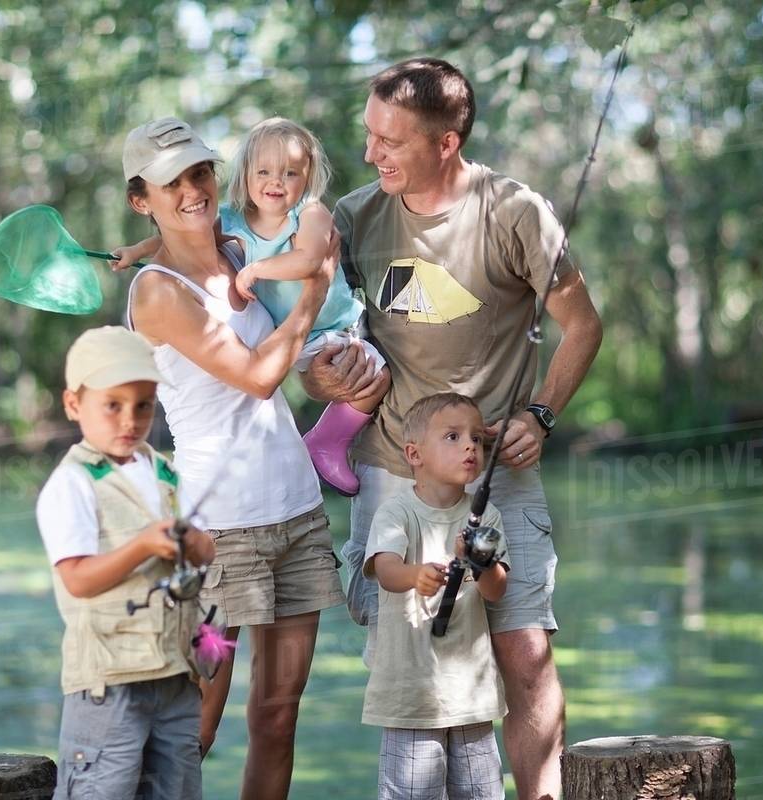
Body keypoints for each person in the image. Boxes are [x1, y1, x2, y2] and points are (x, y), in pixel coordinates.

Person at [302, 58, 604, 800]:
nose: (372, 154)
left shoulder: (515, 214)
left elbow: (583, 326)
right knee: (414, 677)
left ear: (446, 143)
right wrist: (324, 377)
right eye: (369, 136)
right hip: (388, 479)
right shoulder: (350, 218)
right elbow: (308, 350)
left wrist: (541, 412)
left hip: (497, 479)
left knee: (525, 658)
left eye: (390, 141)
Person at [116, 116, 347, 800]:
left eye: (200, 173)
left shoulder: (237, 244)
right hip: (221, 538)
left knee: (277, 718)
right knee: (195, 725)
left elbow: (263, 223)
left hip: (298, 518)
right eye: (171, 183)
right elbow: (255, 375)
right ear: (141, 197)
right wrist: (314, 292)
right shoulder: (157, 293)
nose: (193, 190)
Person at [113, 116, 390, 497]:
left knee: (373, 375)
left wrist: (259, 269)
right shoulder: (169, 281)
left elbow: (311, 262)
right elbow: (261, 377)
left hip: (296, 491)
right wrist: (134, 252)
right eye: (171, 182)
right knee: (376, 375)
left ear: (307, 178)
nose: (276, 182)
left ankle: (327, 439)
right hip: (226, 505)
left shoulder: (292, 220)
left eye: (290, 173)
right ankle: (327, 442)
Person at [35, 325, 217, 800]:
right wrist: (141, 547)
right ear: (74, 405)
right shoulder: (71, 484)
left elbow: (204, 550)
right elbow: (76, 579)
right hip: (108, 686)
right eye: (112, 405)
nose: (129, 420)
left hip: (176, 679)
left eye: (143, 405)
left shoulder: (164, 471)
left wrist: (194, 544)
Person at [363, 392, 509, 800]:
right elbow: (386, 570)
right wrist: (416, 576)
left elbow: (496, 590)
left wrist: (479, 562)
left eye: (477, 439)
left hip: (471, 697)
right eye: (453, 436)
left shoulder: (488, 516)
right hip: (411, 696)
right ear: (414, 454)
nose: (470, 446)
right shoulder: (396, 512)